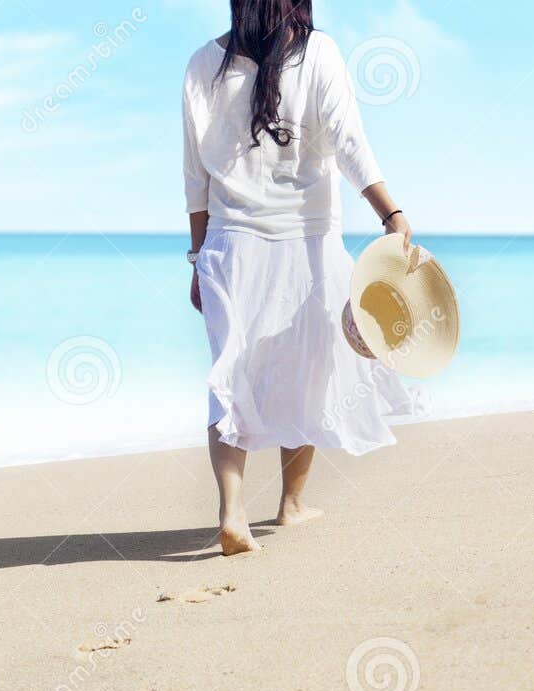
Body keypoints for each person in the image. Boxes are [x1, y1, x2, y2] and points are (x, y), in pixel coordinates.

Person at [183, 0, 422, 555]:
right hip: (309, 242)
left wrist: (198, 257)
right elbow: (348, 141)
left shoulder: (201, 63)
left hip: (230, 244)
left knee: (230, 375)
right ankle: (290, 505)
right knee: (308, 371)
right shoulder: (319, 52)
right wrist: (391, 214)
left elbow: (194, 176)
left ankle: (232, 513)